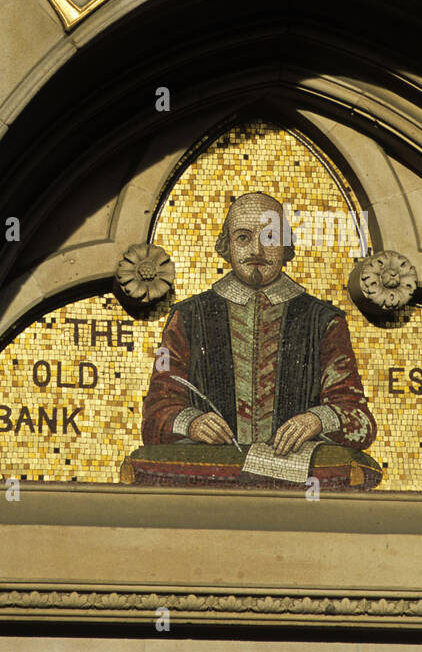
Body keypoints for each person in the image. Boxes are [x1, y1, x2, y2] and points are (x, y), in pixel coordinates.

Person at [141, 191, 376, 456]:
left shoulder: (323, 321)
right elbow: (156, 413)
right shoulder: (187, 318)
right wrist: (191, 423)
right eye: (243, 237)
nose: (257, 250)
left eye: (270, 237)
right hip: (210, 475)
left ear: (286, 246)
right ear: (227, 245)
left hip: (295, 479)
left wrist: (317, 419)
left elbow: (360, 420)